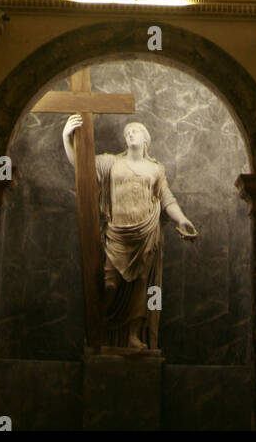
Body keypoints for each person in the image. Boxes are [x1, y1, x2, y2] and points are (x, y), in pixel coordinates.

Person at [62, 116, 197, 350]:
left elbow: (166, 199)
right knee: (109, 285)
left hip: (146, 234)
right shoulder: (111, 163)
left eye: (135, 131)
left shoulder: (156, 169)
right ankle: (101, 332)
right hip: (117, 234)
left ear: (146, 139)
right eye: (128, 133)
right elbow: (81, 167)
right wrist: (66, 137)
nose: (130, 134)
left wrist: (183, 219)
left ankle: (133, 336)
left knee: (142, 286)